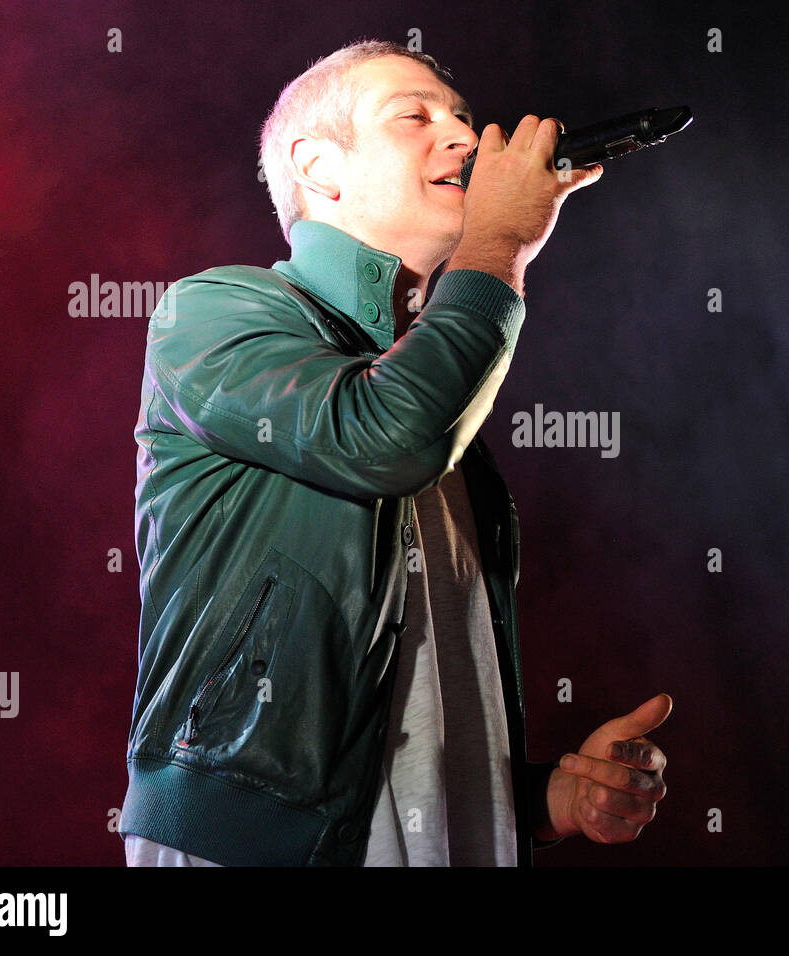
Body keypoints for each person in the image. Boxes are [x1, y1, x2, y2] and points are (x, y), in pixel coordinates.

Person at [118, 40, 671, 866]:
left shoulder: (438, 397)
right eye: (414, 116)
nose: (466, 139)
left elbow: (408, 707)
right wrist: (501, 248)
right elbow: (386, 436)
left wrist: (537, 799)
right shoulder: (213, 312)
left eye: (463, 119)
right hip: (256, 841)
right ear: (318, 167)